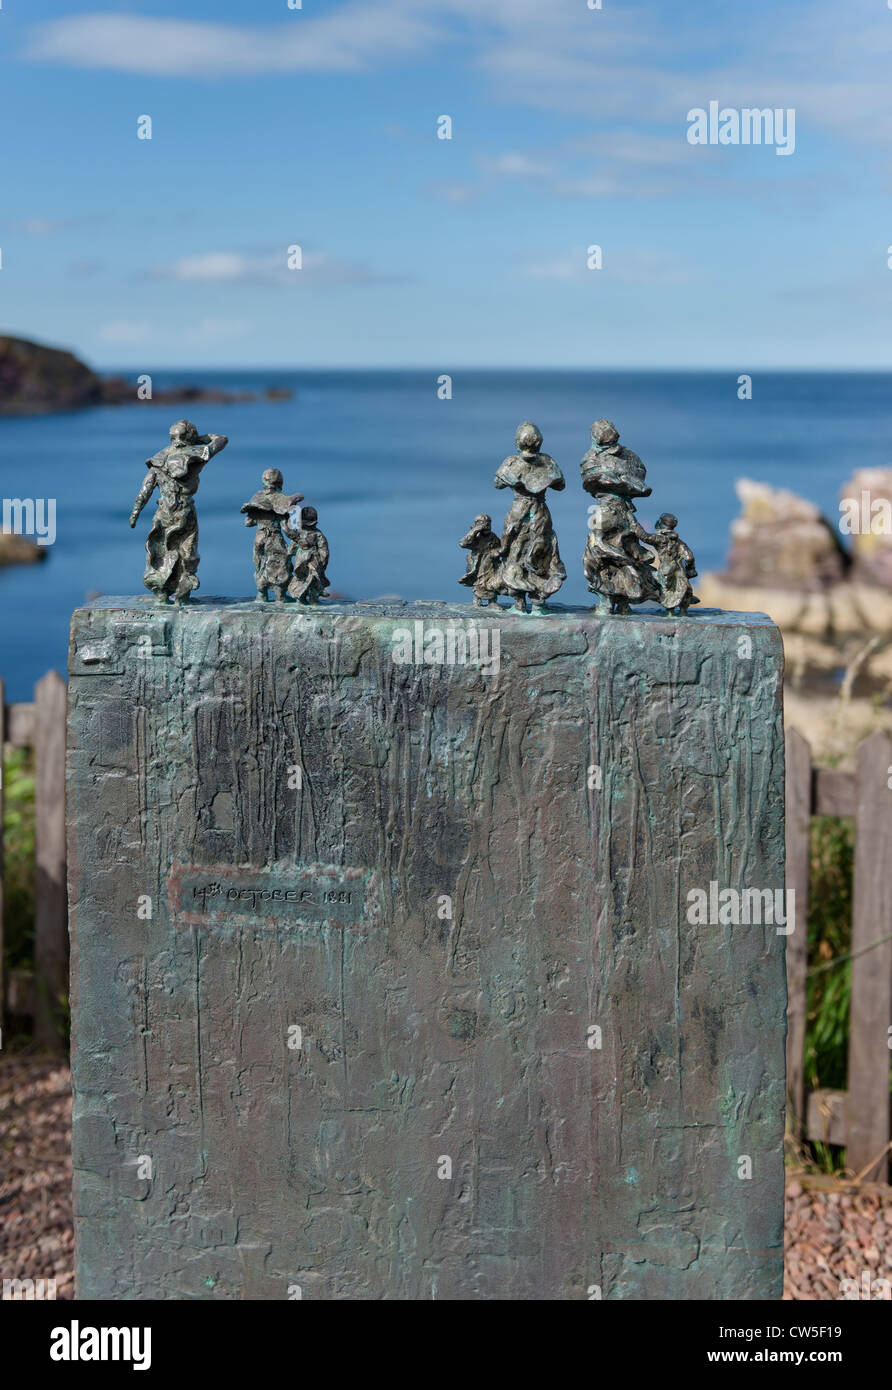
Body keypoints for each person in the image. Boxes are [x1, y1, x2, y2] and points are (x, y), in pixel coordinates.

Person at [129, 419, 228, 604]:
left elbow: (144, 492)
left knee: (161, 552)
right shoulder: (196, 455)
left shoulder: (158, 461)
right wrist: (198, 439)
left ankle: (163, 594)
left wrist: (135, 513)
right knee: (186, 552)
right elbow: (221, 439)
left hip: (164, 513)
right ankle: (181, 596)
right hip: (184, 512)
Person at [494, 421, 566, 615]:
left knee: (515, 551)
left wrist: (518, 479)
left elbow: (497, 483)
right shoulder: (547, 461)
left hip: (519, 510)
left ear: (517, 442)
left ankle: (519, 602)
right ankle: (537, 602)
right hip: (540, 510)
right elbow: (560, 485)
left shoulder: (512, 462)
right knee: (540, 550)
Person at [241, 468, 304, 603]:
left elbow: (248, 522)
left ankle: (261, 595)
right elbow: (286, 528)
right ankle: (280, 596)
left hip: (259, 537)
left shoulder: (257, 496)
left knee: (260, 564)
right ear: (280, 482)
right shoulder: (281, 499)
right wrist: (297, 539)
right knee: (280, 564)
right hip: (274, 538)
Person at [645, 513, 700, 616]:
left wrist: (634, 524)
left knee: (667, 592)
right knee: (682, 589)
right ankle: (683, 612)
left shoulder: (660, 539)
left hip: (667, 569)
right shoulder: (679, 542)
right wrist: (690, 569)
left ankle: (669, 613)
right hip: (679, 570)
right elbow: (689, 557)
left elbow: (644, 537)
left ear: (661, 523)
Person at [286, 505, 330, 605]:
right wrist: (289, 555)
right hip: (301, 558)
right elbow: (294, 544)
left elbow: (323, 548)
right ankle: (300, 597)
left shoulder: (317, 534)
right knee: (301, 577)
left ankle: (313, 598)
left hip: (313, 559)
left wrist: (323, 561)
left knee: (314, 577)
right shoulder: (299, 532)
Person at [458, 514, 503, 606]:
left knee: (492, 581)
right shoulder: (475, 536)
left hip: (491, 563)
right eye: (483, 524)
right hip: (478, 563)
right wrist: (474, 531)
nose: (487, 526)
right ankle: (477, 600)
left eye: (488, 524)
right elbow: (463, 543)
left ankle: (492, 602)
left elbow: (499, 546)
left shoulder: (492, 536)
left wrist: (496, 552)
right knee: (479, 582)